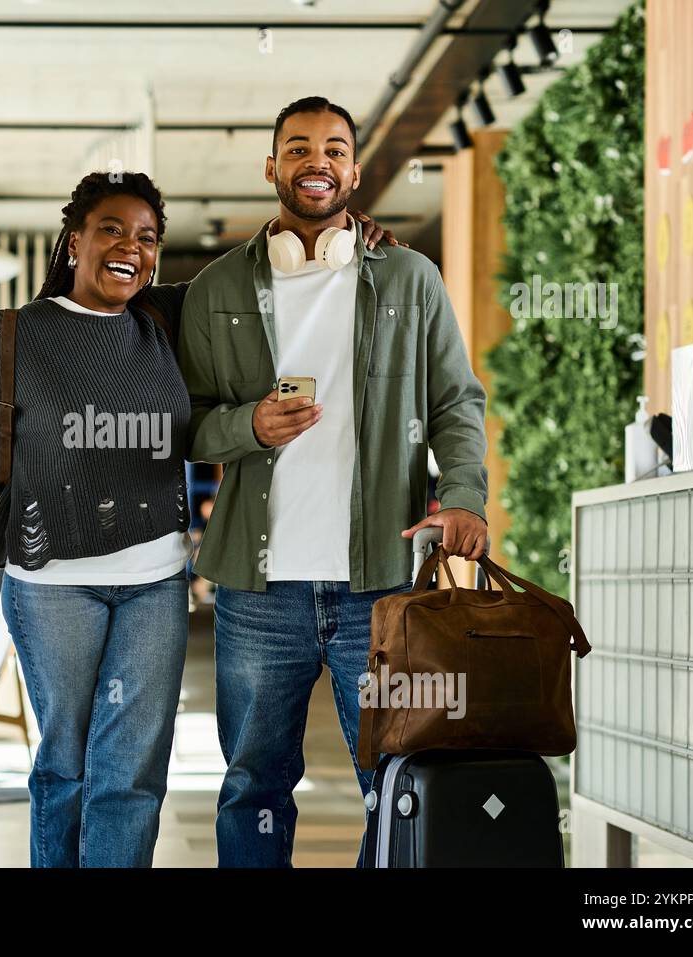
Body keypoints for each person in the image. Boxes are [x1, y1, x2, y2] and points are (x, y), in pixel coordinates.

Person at [0, 168, 398, 867]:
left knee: (132, 772)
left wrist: (349, 234)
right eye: (112, 230)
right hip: (51, 585)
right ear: (74, 240)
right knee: (67, 764)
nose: (130, 248)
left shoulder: (169, 317)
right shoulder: (17, 335)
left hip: (155, 580)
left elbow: (270, 280)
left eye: (147, 237)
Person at [178, 96, 489, 868]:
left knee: (396, 780)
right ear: (272, 165)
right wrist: (247, 426)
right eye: (298, 147)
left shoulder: (412, 280)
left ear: (354, 168)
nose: (317, 160)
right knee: (252, 786)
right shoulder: (215, 290)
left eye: (334, 148)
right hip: (257, 592)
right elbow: (185, 422)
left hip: (378, 587)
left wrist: (462, 495)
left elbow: (456, 400)